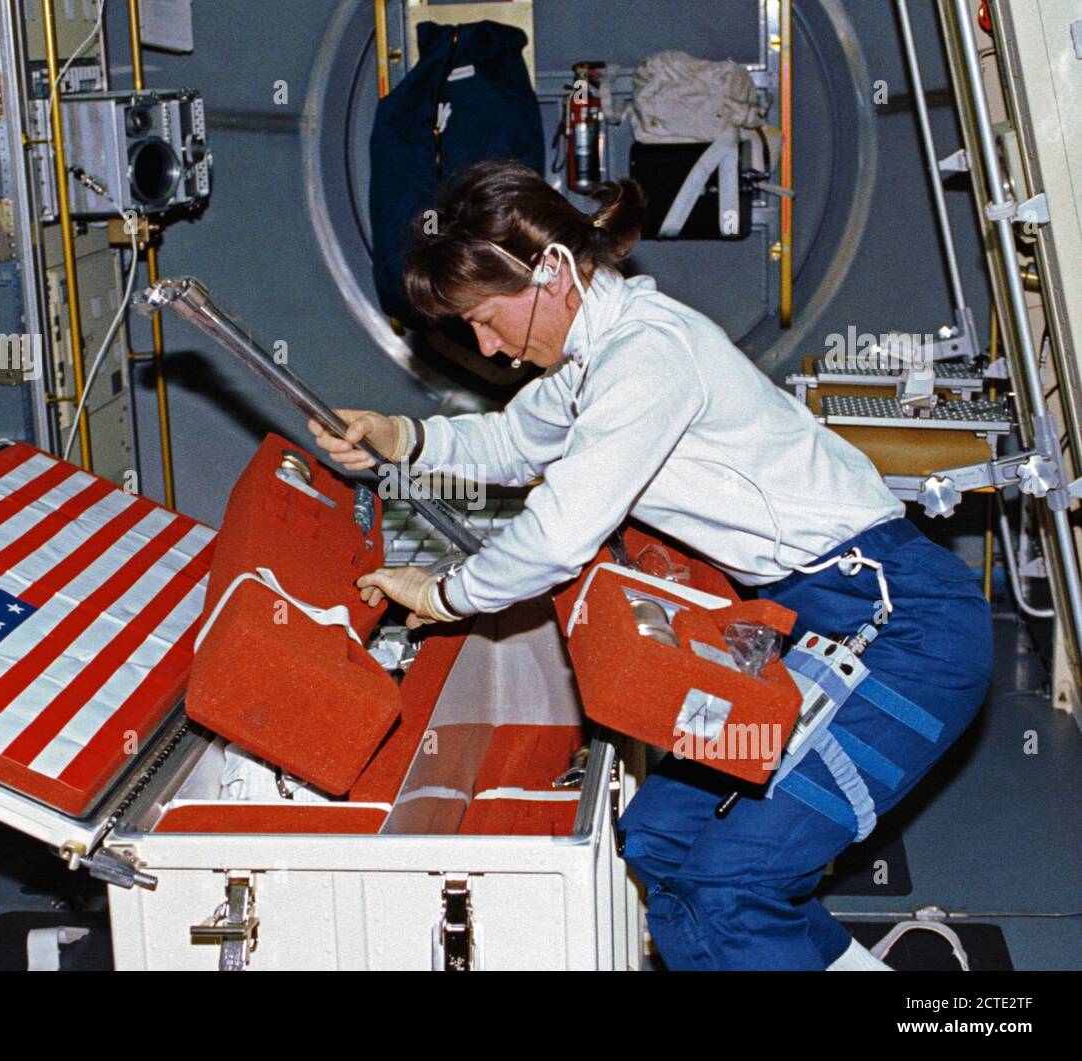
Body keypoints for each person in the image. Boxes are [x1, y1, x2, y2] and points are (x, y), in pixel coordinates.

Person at [307, 160, 992, 970]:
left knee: (733, 887)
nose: (489, 346)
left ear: (554, 270)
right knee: (661, 843)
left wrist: (449, 593)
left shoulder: (645, 355)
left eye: (488, 319)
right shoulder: (596, 361)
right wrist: (401, 435)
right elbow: (509, 441)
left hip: (904, 628)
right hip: (823, 624)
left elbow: (559, 531)